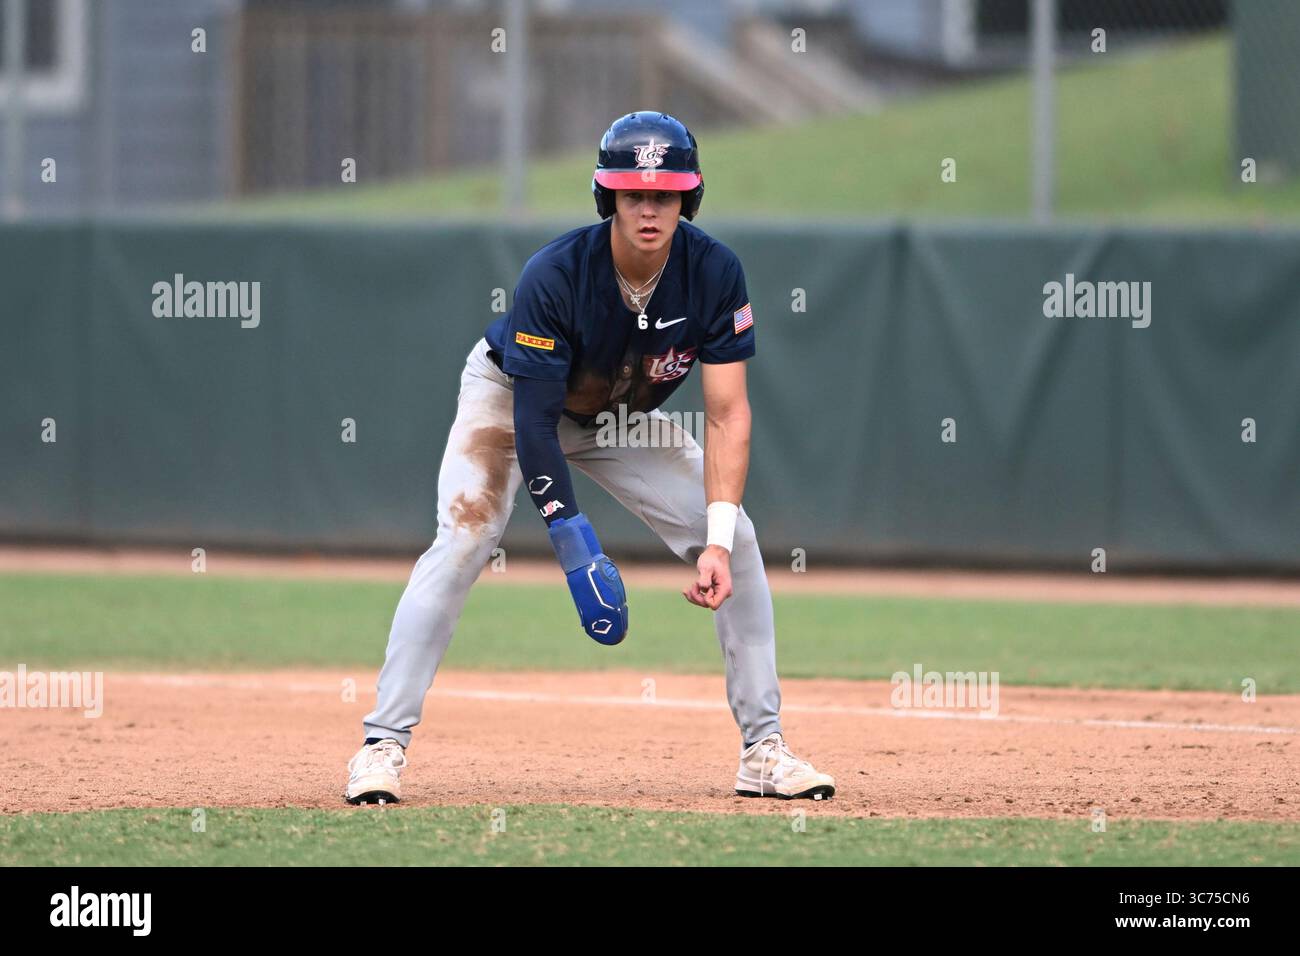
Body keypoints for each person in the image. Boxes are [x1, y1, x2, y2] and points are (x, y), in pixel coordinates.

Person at [345, 111, 835, 805]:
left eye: (664, 194)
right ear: (608, 196)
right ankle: (381, 745)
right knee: (466, 538)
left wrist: (715, 542)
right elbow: (539, 425)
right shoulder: (556, 274)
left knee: (743, 542)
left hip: (619, 417)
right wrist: (577, 550)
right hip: (514, 398)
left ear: (686, 200)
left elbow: (728, 414)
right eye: (633, 192)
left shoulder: (715, 272)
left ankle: (763, 750)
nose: (648, 207)